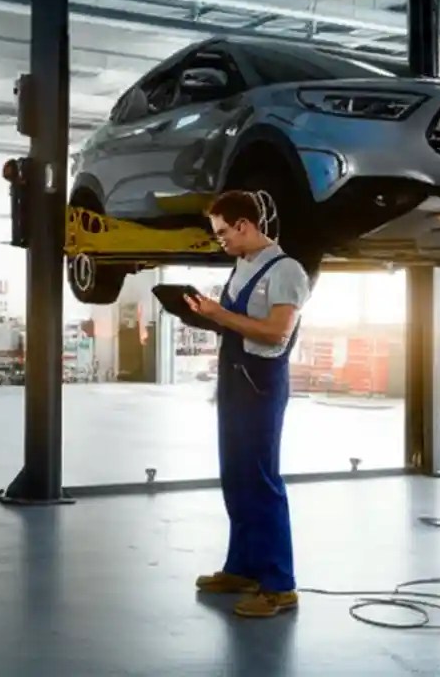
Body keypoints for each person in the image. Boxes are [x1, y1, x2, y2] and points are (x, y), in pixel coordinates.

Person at [183, 189, 312, 619]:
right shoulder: (241, 266)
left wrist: (220, 316)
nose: (219, 240)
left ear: (244, 225)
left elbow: (275, 332)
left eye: (223, 232)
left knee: (261, 480)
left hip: (261, 385)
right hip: (234, 382)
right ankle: (242, 568)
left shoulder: (287, 270)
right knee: (235, 477)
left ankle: (279, 585)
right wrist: (203, 313)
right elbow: (239, 323)